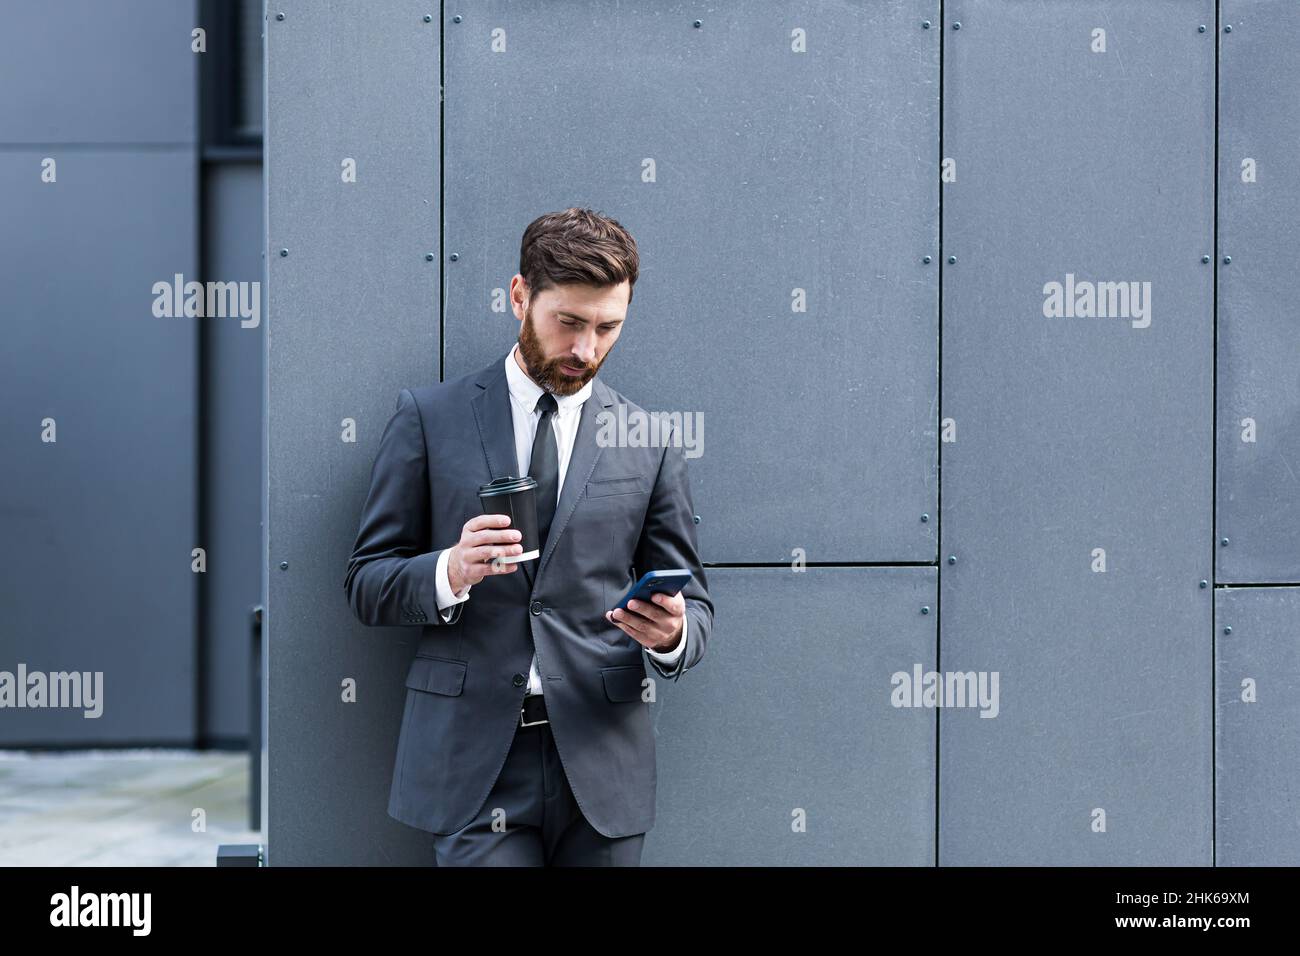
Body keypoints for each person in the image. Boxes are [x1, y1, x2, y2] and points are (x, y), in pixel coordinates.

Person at [344, 207, 713, 865]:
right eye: (568, 322)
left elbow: (697, 605)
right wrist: (450, 571)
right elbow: (367, 582)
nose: (586, 350)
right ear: (519, 296)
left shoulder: (650, 441)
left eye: (608, 328)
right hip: (472, 765)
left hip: (602, 767)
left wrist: (674, 635)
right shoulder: (429, 419)